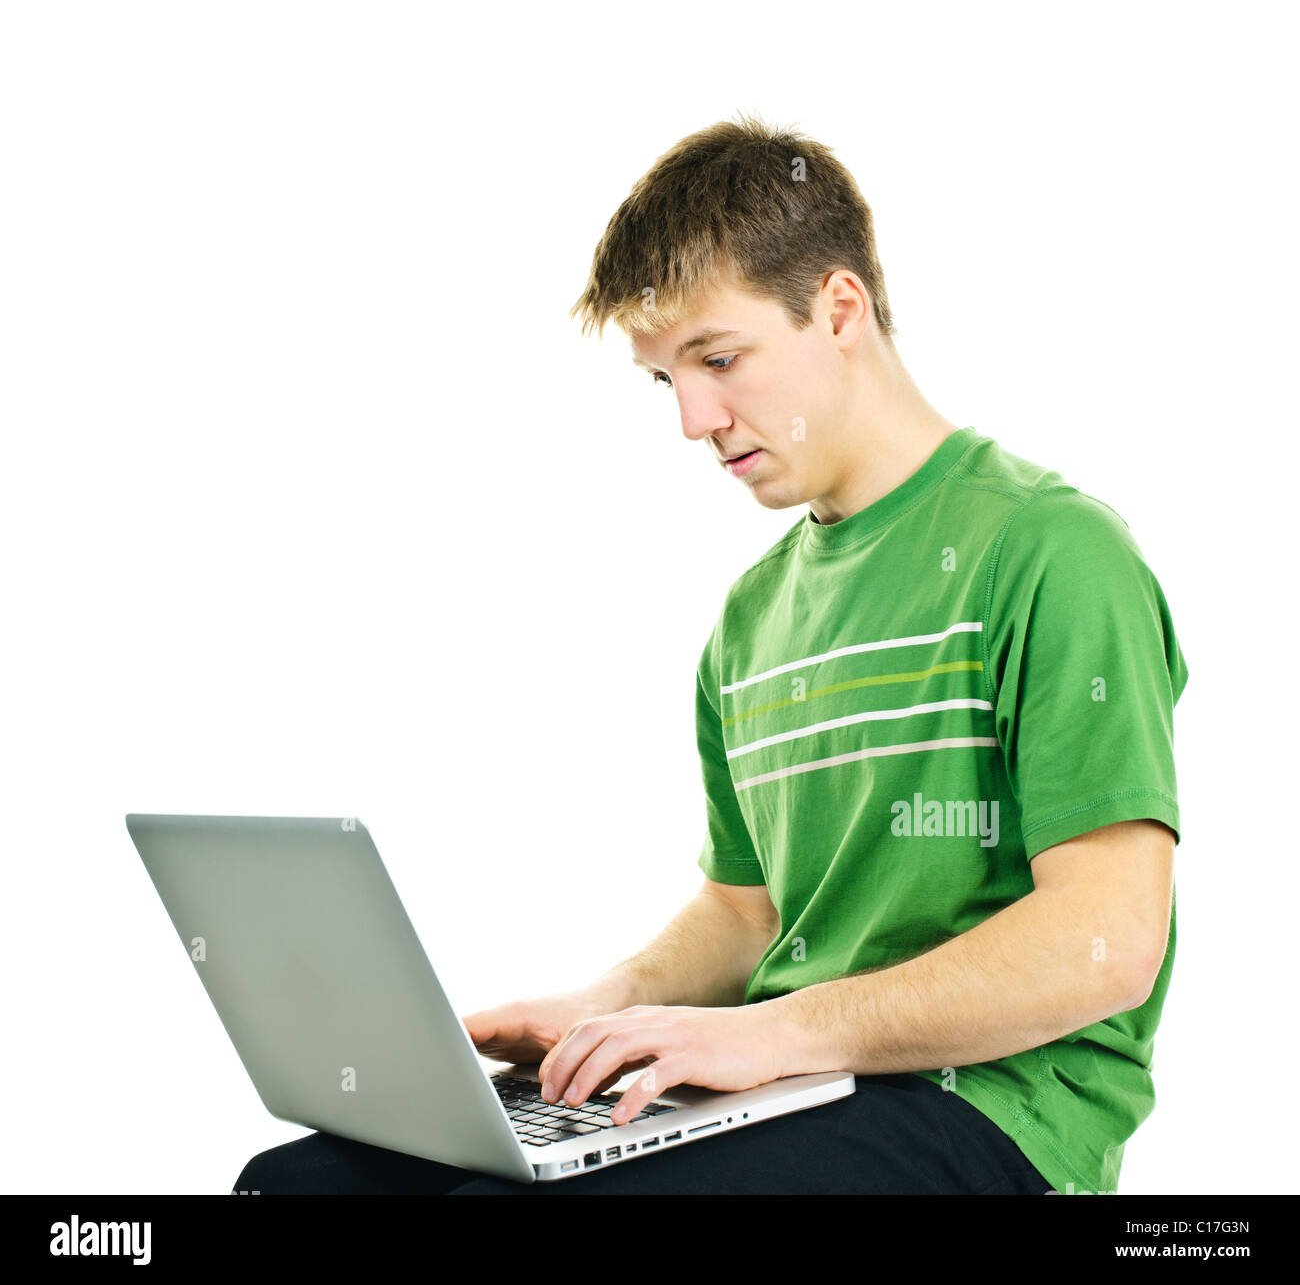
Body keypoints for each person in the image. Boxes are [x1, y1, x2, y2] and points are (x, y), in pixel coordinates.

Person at [234, 113, 1187, 1195]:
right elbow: (747, 911)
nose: (694, 417)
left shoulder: (1051, 549)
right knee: (301, 1185)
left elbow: (1107, 941)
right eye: (664, 379)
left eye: (719, 358)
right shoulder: (753, 614)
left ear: (838, 309)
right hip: (788, 1083)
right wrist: (615, 1000)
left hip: (983, 1113)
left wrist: (770, 1034)